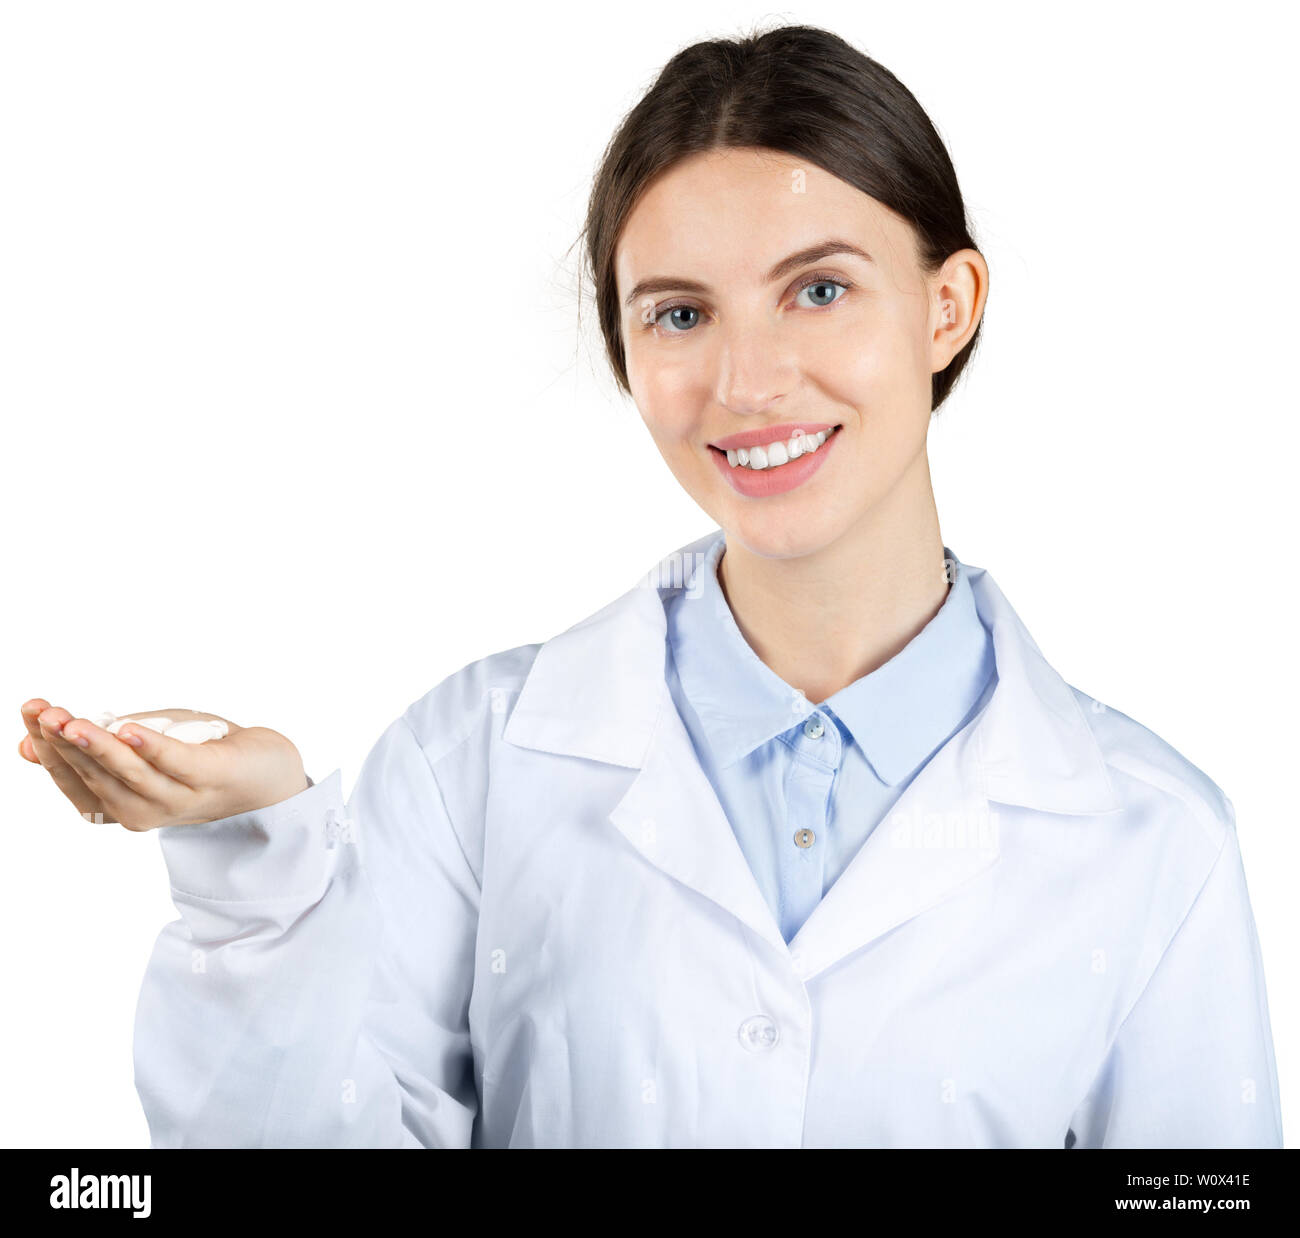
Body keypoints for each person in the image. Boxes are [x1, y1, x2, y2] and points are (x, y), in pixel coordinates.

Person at [18, 23, 1283, 1149]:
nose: (747, 382)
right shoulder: (478, 763)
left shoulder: (1150, 838)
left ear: (946, 306)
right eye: (679, 315)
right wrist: (255, 872)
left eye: (820, 289)